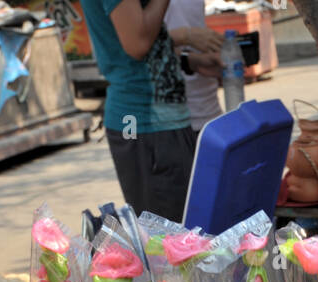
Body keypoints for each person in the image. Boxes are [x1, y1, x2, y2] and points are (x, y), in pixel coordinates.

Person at [80, 0, 210, 220]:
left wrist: (193, 61)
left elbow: (143, 41)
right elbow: (137, 43)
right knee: (170, 243)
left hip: (159, 123)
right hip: (143, 123)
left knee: (185, 235)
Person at [166, 0, 223, 134]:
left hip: (208, 109)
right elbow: (133, 43)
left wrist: (195, 60)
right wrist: (186, 36)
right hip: (166, 120)